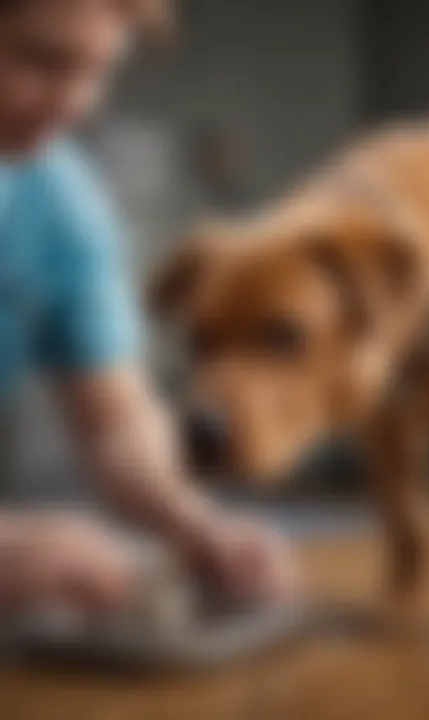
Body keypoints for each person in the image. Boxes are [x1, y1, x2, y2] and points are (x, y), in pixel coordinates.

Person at [0, 0, 296, 610]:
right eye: (42, 59)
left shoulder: (59, 206)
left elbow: (116, 423)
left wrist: (197, 526)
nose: (76, 102)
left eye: (97, 72)